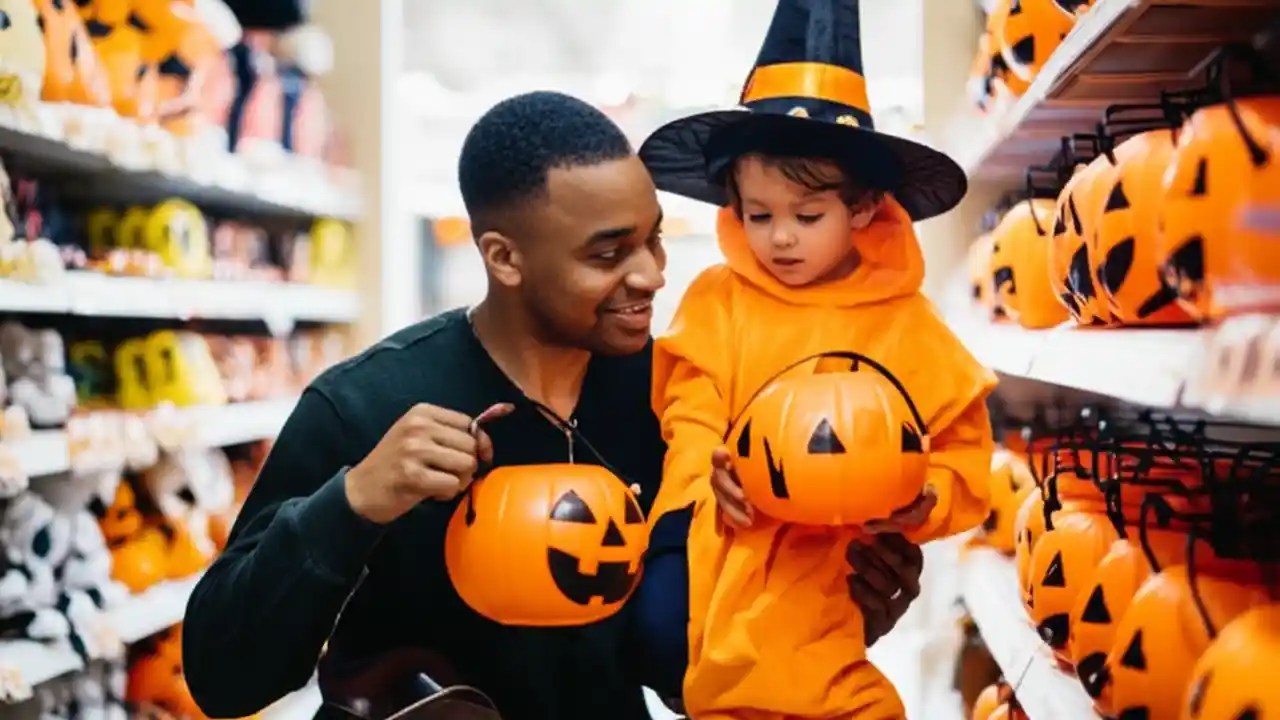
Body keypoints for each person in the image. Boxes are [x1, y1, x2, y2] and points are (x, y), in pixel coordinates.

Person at [182, 90, 925, 720]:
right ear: (504, 258)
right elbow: (224, 676)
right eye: (609, 255)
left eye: (654, 242)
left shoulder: (677, 401)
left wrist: (836, 606)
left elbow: (684, 657)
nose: (651, 277)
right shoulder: (365, 407)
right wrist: (353, 504)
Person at [635, 1, 999, 719]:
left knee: (820, 687)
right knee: (675, 644)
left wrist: (921, 497)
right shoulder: (720, 298)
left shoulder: (907, 325)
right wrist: (707, 476)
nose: (780, 240)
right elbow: (691, 403)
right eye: (758, 215)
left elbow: (962, 451)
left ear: (864, 208)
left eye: (807, 217)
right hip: (723, 534)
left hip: (830, 563)